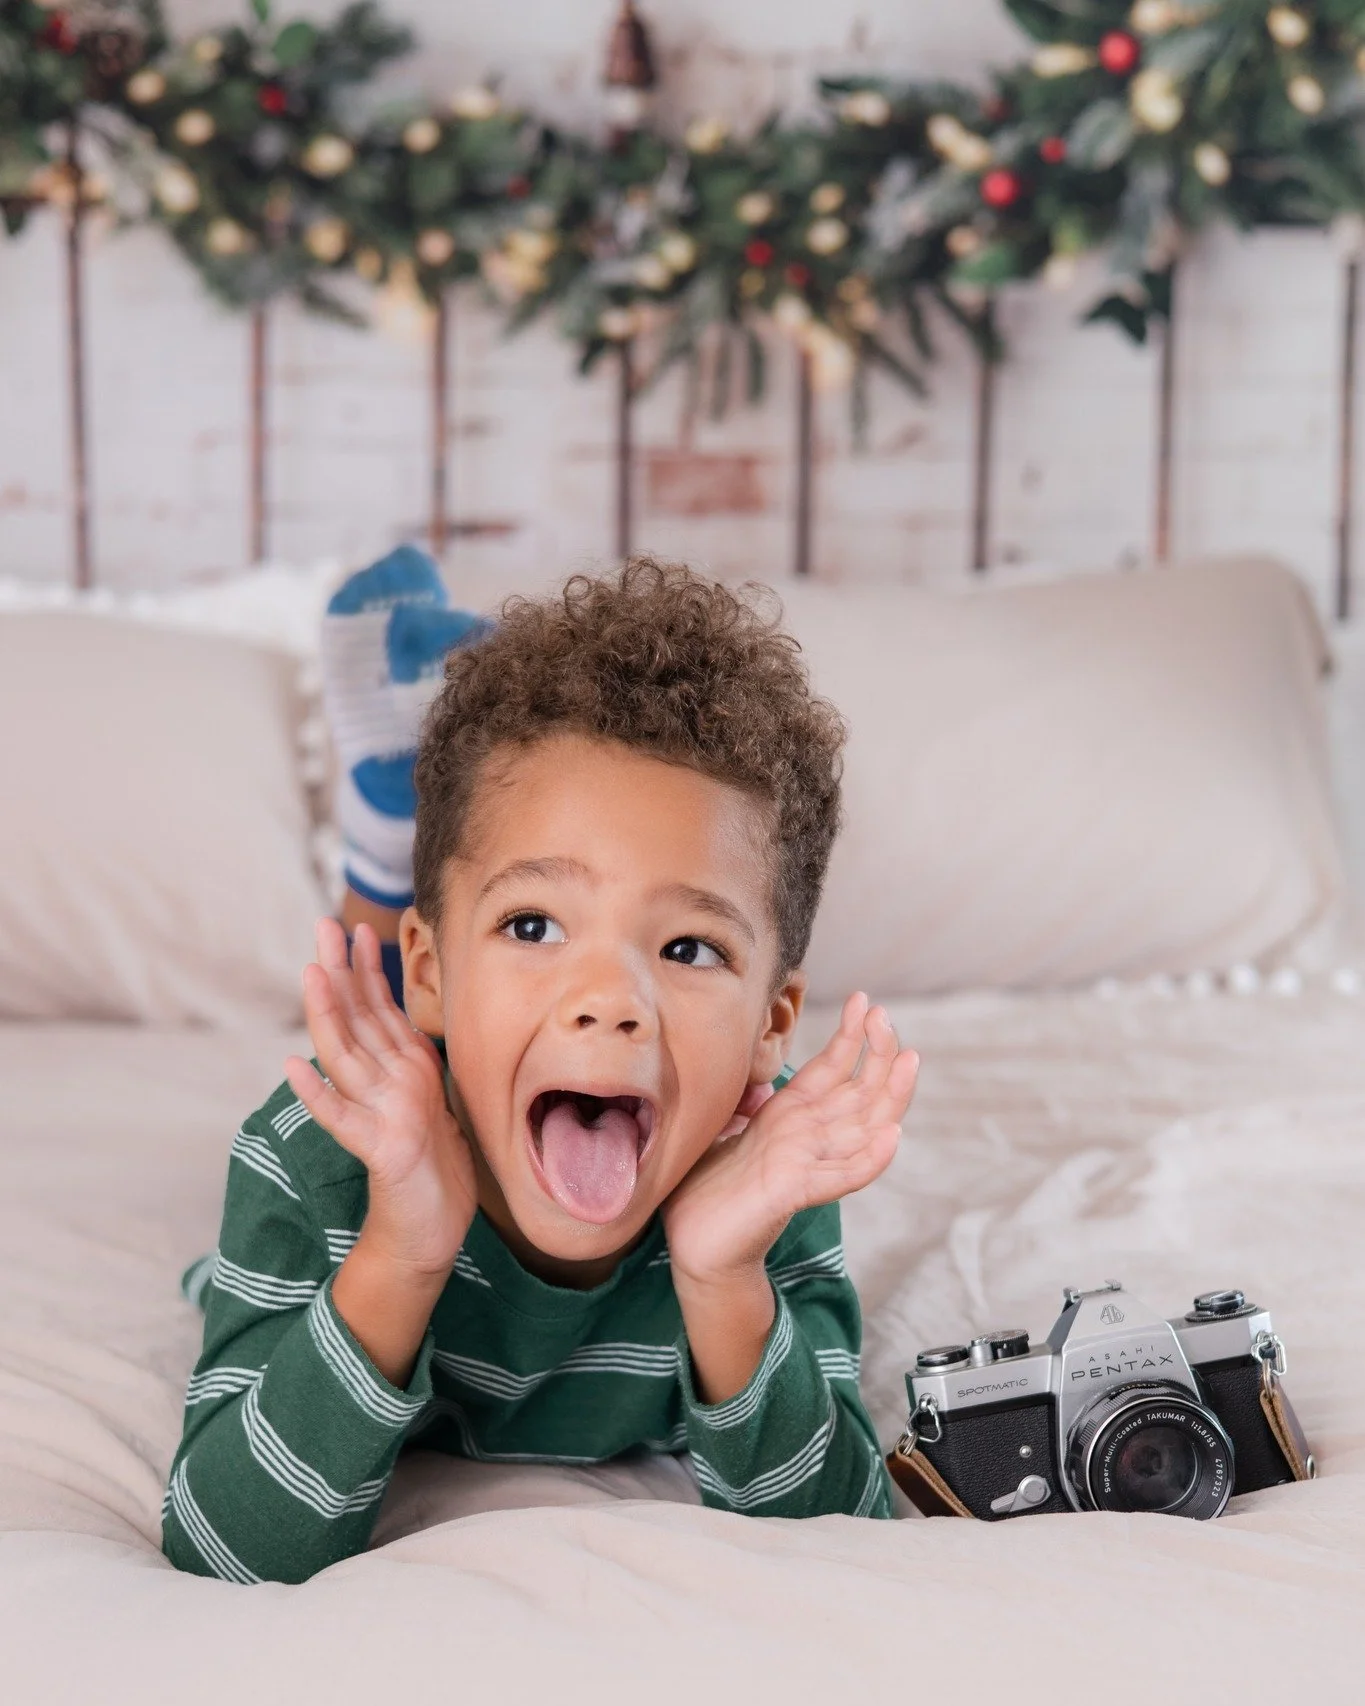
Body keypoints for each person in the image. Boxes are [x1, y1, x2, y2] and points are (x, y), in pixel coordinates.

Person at [163, 550, 920, 1584]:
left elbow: (841, 1535)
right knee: (374, 1016)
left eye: (689, 947)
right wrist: (401, 1248)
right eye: (534, 922)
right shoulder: (317, 1159)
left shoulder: (766, 1181)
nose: (608, 998)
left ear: (770, 1024)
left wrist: (722, 1273)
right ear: (432, 969)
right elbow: (221, 1549)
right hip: (418, 1067)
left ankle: (419, 862)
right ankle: (388, 857)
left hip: (480, 1025)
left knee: (481, 1012)